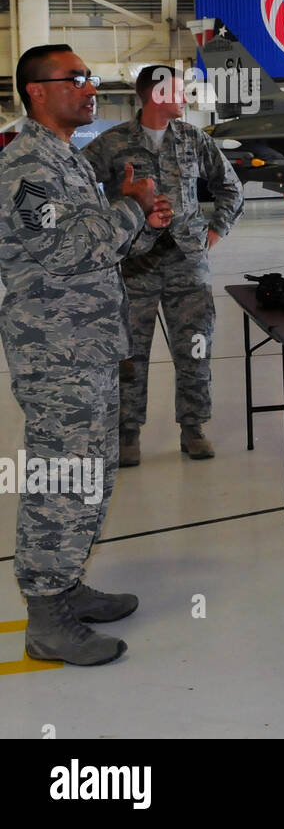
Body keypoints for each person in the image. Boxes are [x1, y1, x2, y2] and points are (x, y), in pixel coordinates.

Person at [0, 45, 171, 665]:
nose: (90, 86)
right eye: (75, 78)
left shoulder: (66, 160)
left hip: (89, 346)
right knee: (61, 478)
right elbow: (67, 251)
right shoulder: (25, 166)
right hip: (54, 353)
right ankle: (46, 613)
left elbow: (99, 251)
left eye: (91, 77)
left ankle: (67, 585)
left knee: (91, 473)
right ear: (37, 91)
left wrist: (143, 220)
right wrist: (128, 208)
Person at [85, 64, 244, 465]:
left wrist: (215, 231)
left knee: (194, 347)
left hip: (187, 262)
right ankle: (127, 435)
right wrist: (111, 227)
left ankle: (193, 429)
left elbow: (230, 186)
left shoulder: (193, 138)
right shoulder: (111, 144)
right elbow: (80, 194)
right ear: (156, 94)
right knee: (131, 353)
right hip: (134, 263)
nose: (185, 98)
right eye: (178, 90)